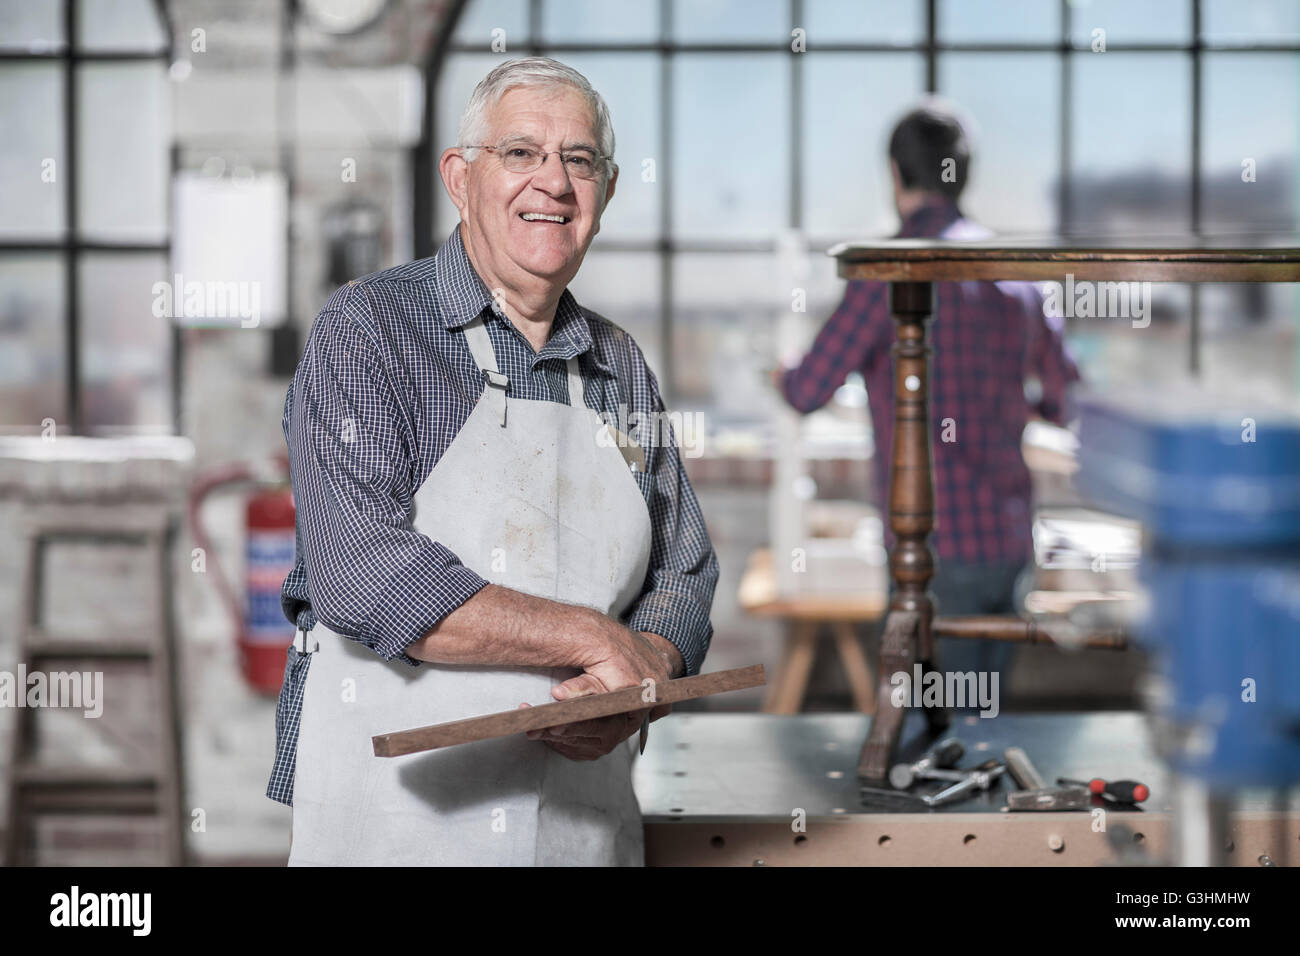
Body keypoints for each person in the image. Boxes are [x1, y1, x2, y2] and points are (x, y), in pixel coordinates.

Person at [267, 57, 719, 866]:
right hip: (399, 825)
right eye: (520, 153)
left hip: (581, 826)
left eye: (579, 160)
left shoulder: (619, 366)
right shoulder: (369, 332)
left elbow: (685, 573)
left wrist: (643, 675)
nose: (553, 182)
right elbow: (361, 572)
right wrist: (591, 637)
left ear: (605, 195)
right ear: (459, 176)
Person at [774, 102, 1079, 685]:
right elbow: (1064, 401)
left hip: (931, 549)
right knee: (986, 721)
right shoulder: (1019, 278)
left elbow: (808, 390)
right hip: (1012, 538)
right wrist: (1012, 399)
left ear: (895, 174)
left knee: (926, 737)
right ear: (962, 174)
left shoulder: (889, 270)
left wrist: (780, 374)